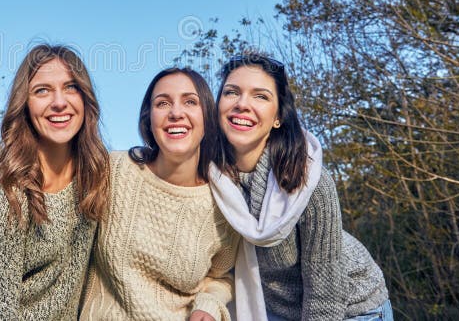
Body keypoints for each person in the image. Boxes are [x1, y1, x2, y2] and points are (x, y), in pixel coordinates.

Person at [209, 52, 392, 321]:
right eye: (231, 92)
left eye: (260, 96)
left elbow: (325, 293)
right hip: (275, 309)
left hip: (352, 307)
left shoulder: (307, 179)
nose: (242, 104)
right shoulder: (210, 176)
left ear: (277, 118)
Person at [0, 44, 109, 320]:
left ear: (85, 99)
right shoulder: (9, 193)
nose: (59, 102)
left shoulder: (95, 178)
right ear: (24, 105)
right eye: (42, 90)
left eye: (71, 87)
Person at [80, 67, 240, 321]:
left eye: (190, 101)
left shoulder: (223, 205)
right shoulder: (113, 171)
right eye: (162, 103)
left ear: (208, 117)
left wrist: (208, 305)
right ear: (149, 120)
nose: (176, 113)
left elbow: (220, 277)